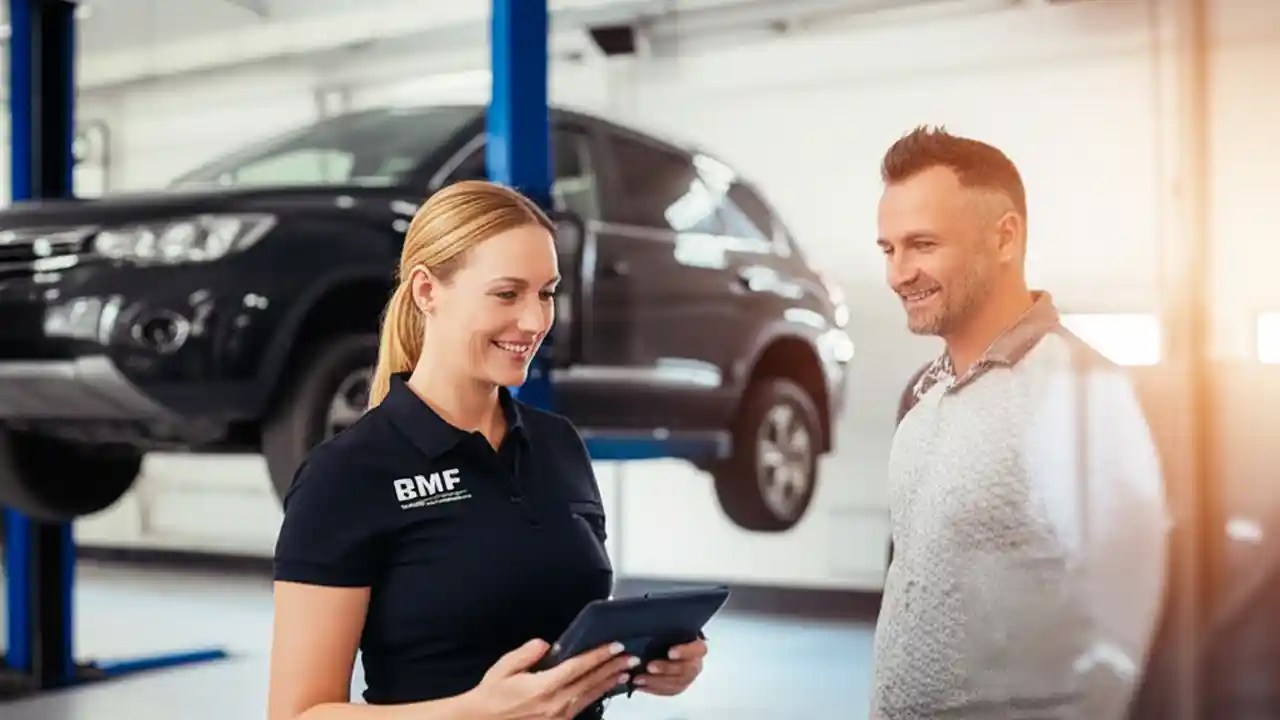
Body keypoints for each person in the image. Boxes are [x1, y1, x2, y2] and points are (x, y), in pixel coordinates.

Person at [267, 180, 708, 720]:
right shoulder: (345, 475)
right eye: (507, 293)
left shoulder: (557, 445)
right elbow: (297, 714)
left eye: (546, 292)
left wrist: (638, 661)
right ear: (427, 292)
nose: (535, 321)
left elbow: (551, 625)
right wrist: (474, 714)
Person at [871, 127, 1170, 719]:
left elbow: (1136, 635)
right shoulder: (919, 399)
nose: (898, 274)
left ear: (1004, 237)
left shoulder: (1083, 396)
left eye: (923, 244)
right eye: (888, 249)